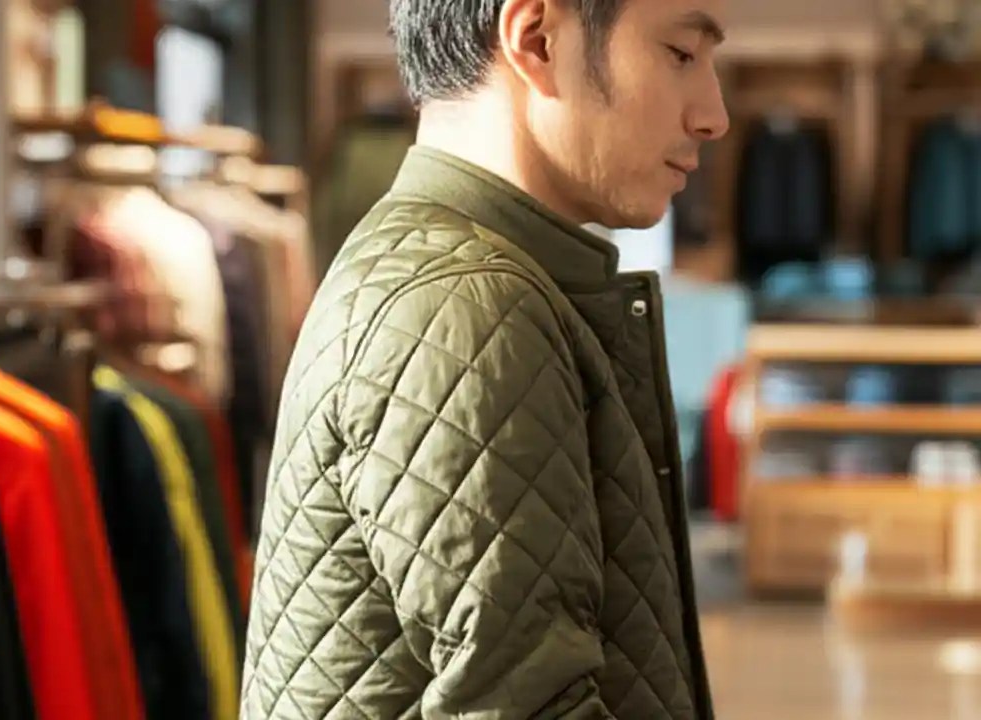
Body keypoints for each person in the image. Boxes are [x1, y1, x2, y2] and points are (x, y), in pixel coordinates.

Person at [241, 0, 730, 717]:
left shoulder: (463, 277)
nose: (714, 115)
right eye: (681, 54)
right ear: (536, 40)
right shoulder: (464, 303)